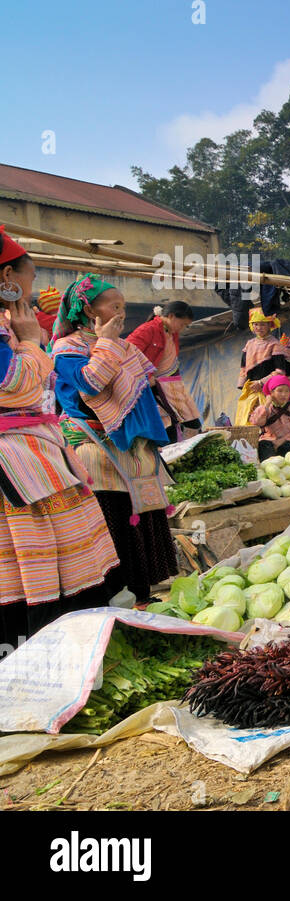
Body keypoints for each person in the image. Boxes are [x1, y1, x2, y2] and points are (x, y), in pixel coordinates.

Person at [0, 233, 118, 646]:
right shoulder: (19, 328)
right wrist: (32, 341)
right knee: (43, 561)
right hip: (17, 457)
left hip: (30, 447)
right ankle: (52, 648)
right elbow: (13, 384)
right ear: (8, 277)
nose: (31, 291)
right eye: (29, 279)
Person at [52, 274, 179, 603]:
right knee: (115, 518)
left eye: (124, 306)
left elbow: (147, 380)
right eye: (114, 306)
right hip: (93, 444)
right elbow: (90, 384)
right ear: (87, 309)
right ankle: (113, 596)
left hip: (130, 443)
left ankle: (141, 593)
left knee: (142, 516)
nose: (122, 313)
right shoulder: (66, 349)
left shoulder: (122, 346)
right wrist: (106, 344)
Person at [126, 300, 200, 442]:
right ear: (171, 316)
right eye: (182, 324)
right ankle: (168, 461)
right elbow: (127, 354)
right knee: (167, 428)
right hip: (151, 388)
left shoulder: (172, 334)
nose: (182, 328)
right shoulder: (148, 330)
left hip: (170, 386)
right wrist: (147, 376)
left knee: (192, 423)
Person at [235, 309, 290, 425]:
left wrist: (261, 383)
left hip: (269, 391)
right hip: (250, 389)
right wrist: (242, 385)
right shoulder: (249, 344)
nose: (259, 327)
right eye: (256, 324)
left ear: (270, 325)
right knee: (246, 418)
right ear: (252, 326)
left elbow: (280, 371)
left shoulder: (275, 345)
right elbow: (243, 367)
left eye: (262, 324)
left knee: (265, 419)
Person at [249, 373, 290, 462]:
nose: (284, 394)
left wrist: (284, 440)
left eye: (287, 391)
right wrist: (267, 404)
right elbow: (257, 422)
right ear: (271, 393)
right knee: (263, 444)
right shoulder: (265, 408)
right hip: (271, 444)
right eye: (280, 391)